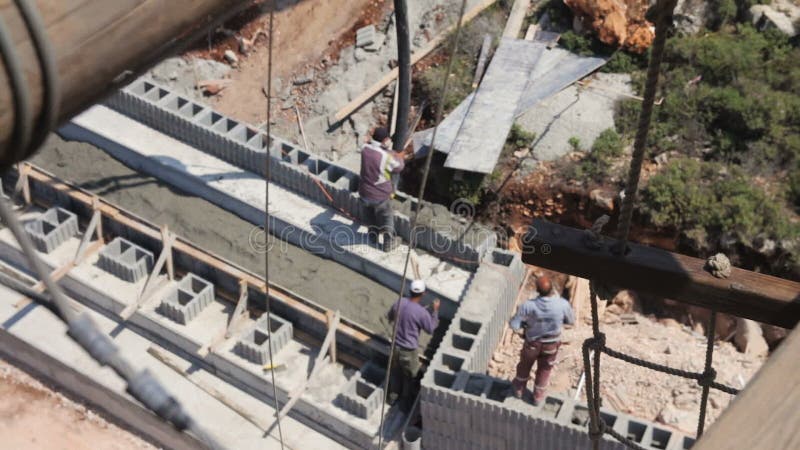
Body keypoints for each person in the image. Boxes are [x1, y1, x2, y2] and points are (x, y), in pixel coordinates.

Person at [509, 275, 575, 405]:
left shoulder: (528, 305)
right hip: (551, 345)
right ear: (552, 289)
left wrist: (521, 326)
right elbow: (571, 321)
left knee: (524, 365)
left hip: (532, 344)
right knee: (544, 370)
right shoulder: (562, 304)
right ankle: (538, 397)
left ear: (537, 290)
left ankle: (518, 390)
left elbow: (514, 325)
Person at [387, 279, 439, 413]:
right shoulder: (421, 313)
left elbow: (390, 316)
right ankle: (405, 406)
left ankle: (392, 399)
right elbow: (431, 328)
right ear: (423, 294)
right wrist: (435, 312)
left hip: (394, 347)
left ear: (409, 291)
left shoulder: (399, 302)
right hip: (408, 351)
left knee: (395, 373)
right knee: (410, 377)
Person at [358, 126, 406, 251]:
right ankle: (388, 242)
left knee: (370, 215)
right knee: (386, 217)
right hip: (380, 196)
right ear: (385, 140)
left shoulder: (364, 148)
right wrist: (397, 155)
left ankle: (372, 236)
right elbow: (399, 167)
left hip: (364, 193)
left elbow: (370, 147)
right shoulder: (386, 156)